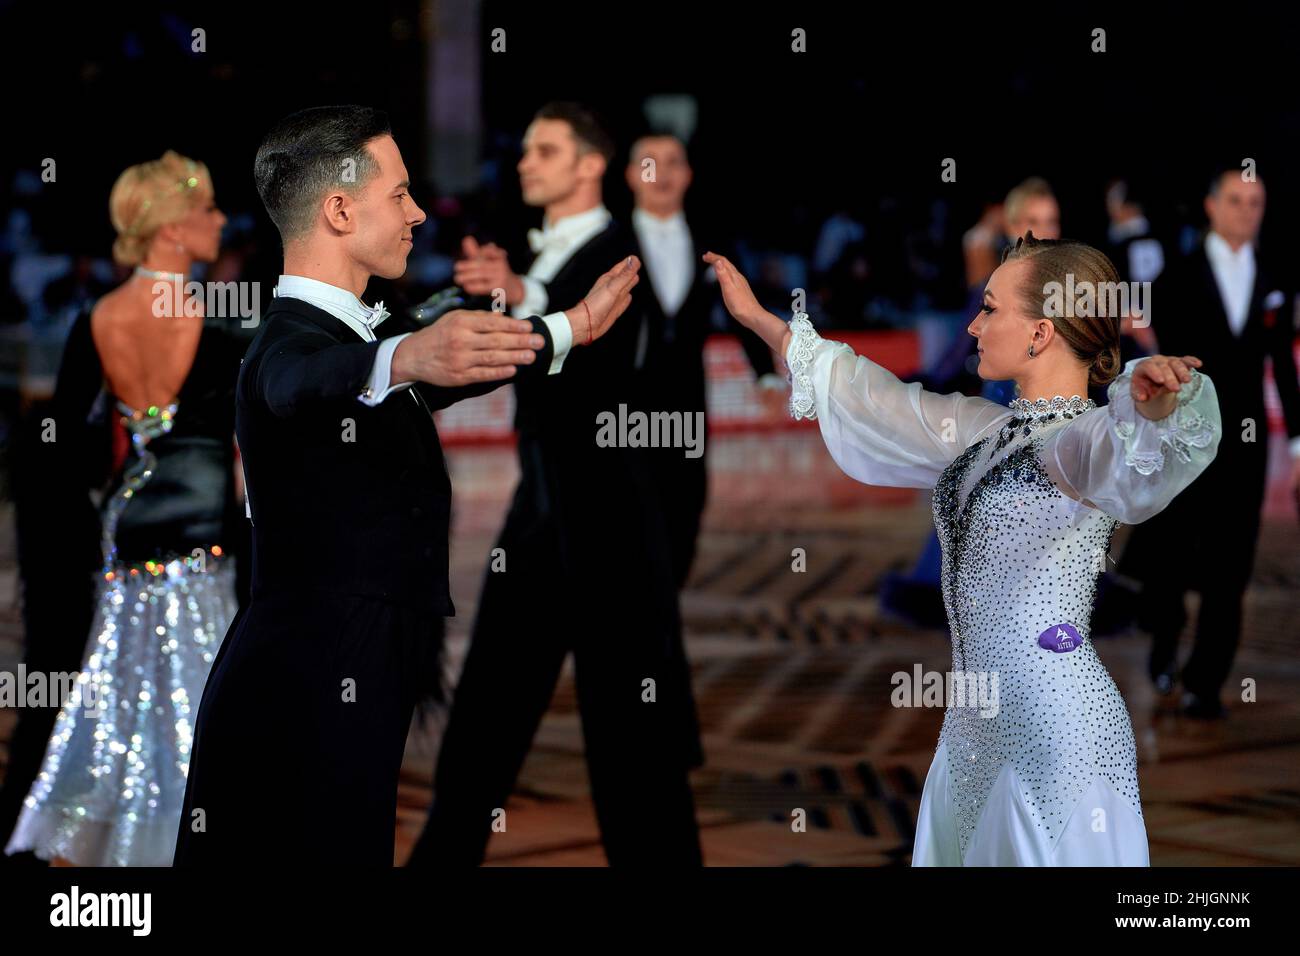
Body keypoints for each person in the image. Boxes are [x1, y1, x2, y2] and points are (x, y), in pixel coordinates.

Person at [173, 106, 641, 866]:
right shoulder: (290, 346)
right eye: (400, 195)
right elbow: (307, 385)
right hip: (309, 673)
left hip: (354, 660)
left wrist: (567, 328)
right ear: (339, 209)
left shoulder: (366, 331)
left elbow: (439, 361)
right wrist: (402, 360)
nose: (419, 213)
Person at [705, 232, 1222, 865]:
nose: (973, 325)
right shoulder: (986, 432)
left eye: (991, 308)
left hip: (1056, 733)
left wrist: (1155, 403)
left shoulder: (1075, 443)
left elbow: (1128, 448)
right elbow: (875, 400)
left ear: (1041, 332)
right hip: (972, 731)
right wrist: (764, 323)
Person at [407, 103, 703, 867]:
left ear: (589, 164)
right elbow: (466, 349)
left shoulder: (636, 244)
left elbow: (621, 356)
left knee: (635, 746)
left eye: (546, 149)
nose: (524, 162)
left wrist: (527, 297)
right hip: (538, 518)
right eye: (525, 148)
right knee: (483, 723)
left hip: (616, 529)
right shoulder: (517, 258)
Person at [5, 151, 247, 866]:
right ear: (171, 228)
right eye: (204, 209)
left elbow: (69, 450)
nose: (217, 220)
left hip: (126, 527)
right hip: (204, 533)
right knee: (201, 692)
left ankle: (109, 849)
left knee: (121, 692)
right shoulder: (221, 320)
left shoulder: (100, 317)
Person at [1131, 166, 1300, 715]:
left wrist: (1297, 443)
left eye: (1255, 202)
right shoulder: (1177, 275)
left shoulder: (1277, 274)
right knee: (1174, 553)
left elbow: (1281, 365)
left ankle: (1206, 683)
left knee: (1232, 562)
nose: (1246, 212)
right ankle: (1163, 648)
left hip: (1247, 447)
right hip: (1186, 435)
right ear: (1211, 206)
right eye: (1236, 200)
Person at [625, 130, 784, 587]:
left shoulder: (709, 243)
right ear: (631, 175)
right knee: (627, 512)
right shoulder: (608, 244)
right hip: (619, 408)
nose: (662, 173)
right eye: (650, 162)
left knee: (684, 509)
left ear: (688, 175)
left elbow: (741, 311)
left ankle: (664, 612)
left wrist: (766, 377)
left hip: (687, 403)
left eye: (673, 161)